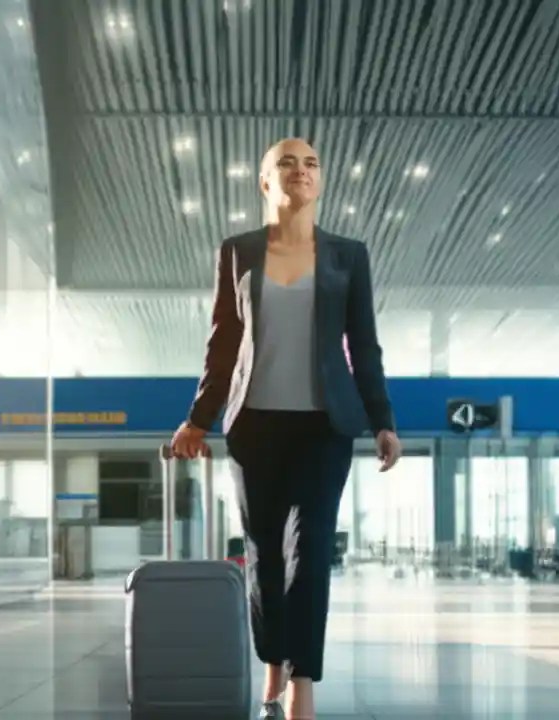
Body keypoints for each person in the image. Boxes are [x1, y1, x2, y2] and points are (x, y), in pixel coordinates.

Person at [171, 138, 402, 720]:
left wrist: (383, 421)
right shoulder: (239, 251)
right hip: (254, 427)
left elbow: (364, 346)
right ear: (265, 182)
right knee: (263, 555)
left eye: (312, 163)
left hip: (326, 428)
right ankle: (271, 673)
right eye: (287, 163)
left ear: (319, 183)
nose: (301, 170)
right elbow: (223, 342)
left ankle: (302, 689)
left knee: (312, 552)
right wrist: (198, 419)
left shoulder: (350, 255)